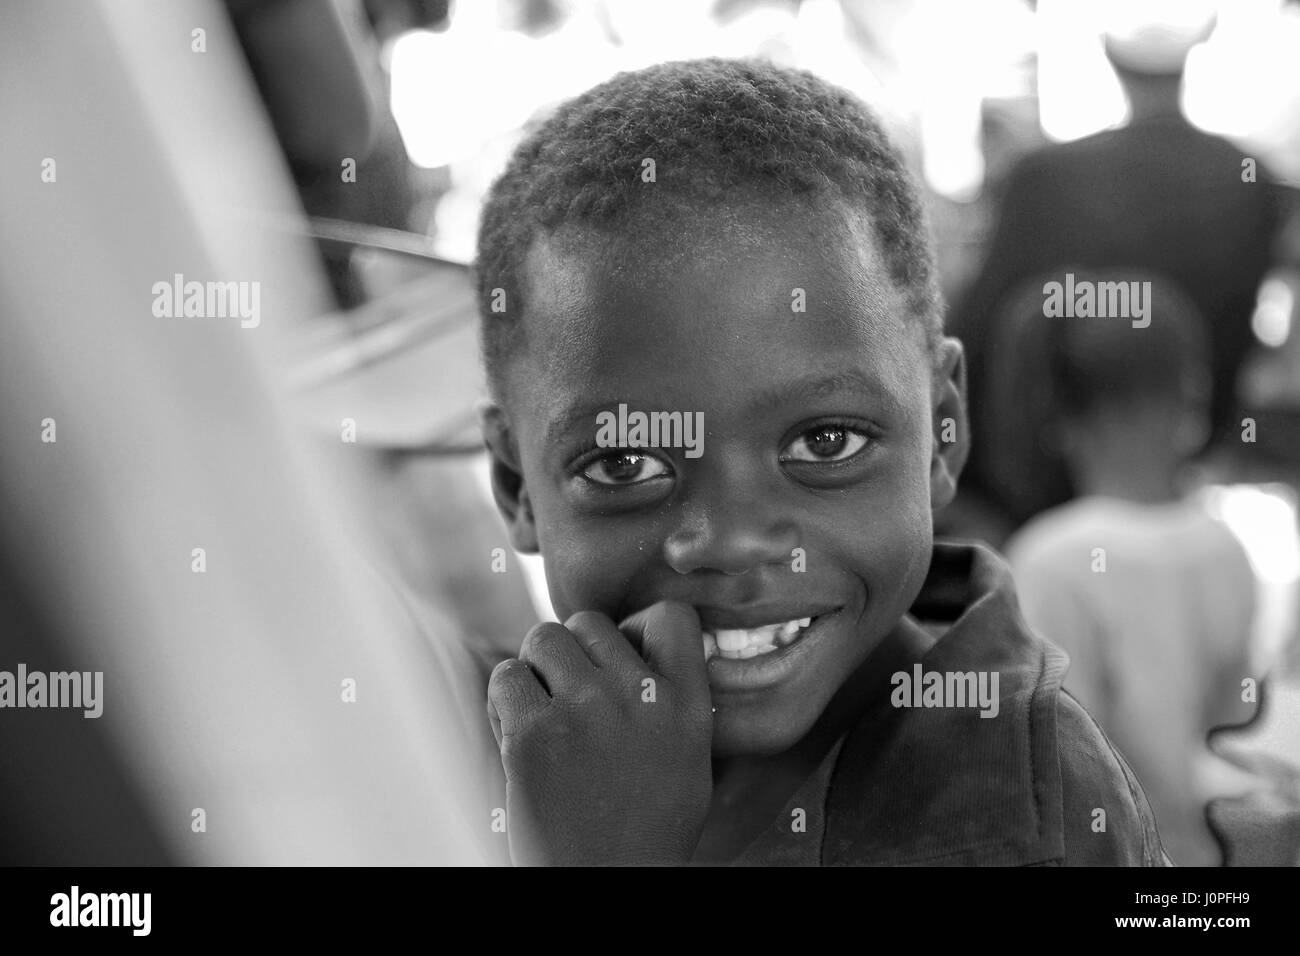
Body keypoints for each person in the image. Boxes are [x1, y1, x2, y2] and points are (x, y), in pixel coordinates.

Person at [472, 58, 1167, 866]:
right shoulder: (534, 744)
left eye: (825, 443)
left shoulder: (1013, 825)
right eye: (625, 463)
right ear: (517, 485)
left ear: (942, 428)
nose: (729, 541)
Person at [950, 18, 1284, 535]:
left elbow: (977, 334)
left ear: (1111, 61)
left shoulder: (1046, 175)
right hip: (1185, 469)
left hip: (1045, 481)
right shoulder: (1249, 177)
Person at [1003, 273, 1257, 866]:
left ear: (1057, 412)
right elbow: (1235, 731)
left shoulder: (1049, 560)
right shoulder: (1226, 545)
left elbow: (1050, 772)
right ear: (1192, 393)